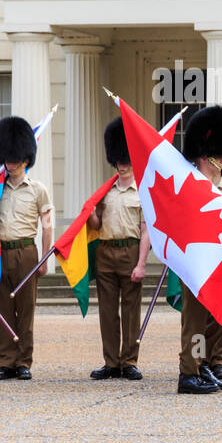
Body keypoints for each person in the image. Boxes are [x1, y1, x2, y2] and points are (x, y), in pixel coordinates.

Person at [177, 106, 222, 394]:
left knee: (212, 321)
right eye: (218, 157)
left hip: (218, 263)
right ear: (205, 156)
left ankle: (202, 366)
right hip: (196, 262)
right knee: (193, 323)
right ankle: (187, 373)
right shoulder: (188, 185)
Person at [88, 117, 151, 381]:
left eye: (126, 159)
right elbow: (97, 223)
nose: (122, 164)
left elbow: (146, 229)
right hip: (106, 252)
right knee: (107, 311)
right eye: (119, 160)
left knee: (130, 310)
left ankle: (129, 360)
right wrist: (89, 213)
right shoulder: (106, 192)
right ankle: (111, 361)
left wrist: (141, 263)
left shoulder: (142, 192)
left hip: (130, 250)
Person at [0, 116, 53, 381]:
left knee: (26, 309)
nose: (11, 162)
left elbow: (46, 226)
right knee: (4, 310)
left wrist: (44, 258)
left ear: (25, 158)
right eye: (7, 157)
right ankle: (6, 359)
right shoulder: (0, 187)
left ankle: (24, 361)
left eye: (15, 157)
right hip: (2, 253)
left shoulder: (38, 190)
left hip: (26, 252)